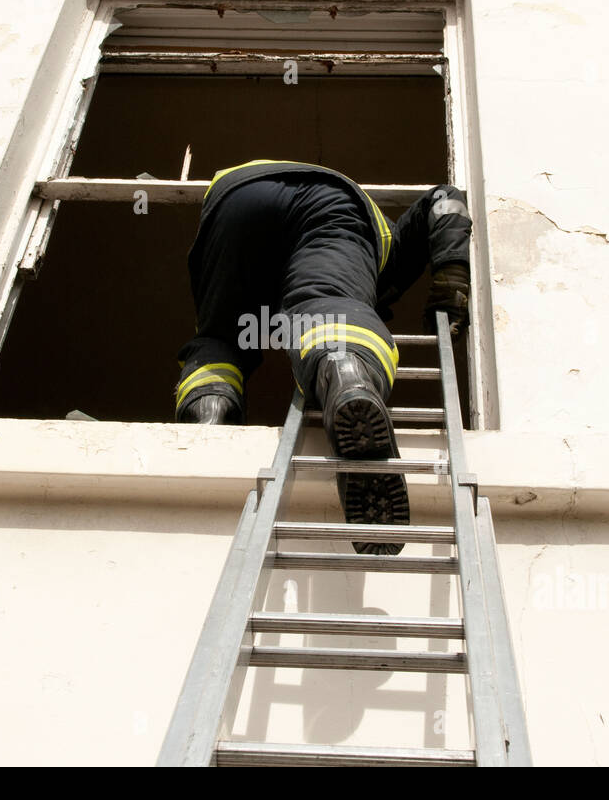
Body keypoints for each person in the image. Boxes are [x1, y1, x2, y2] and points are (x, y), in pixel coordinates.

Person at [173, 159, 471, 554]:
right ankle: (346, 373)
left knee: (222, 339)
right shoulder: (379, 248)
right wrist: (452, 273)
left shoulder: (353, 260)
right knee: (327, 305)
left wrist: (450, 270)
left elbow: (443, 200)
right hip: (328, 203)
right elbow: (446, 198)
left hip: (231, 199)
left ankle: (208, 427)